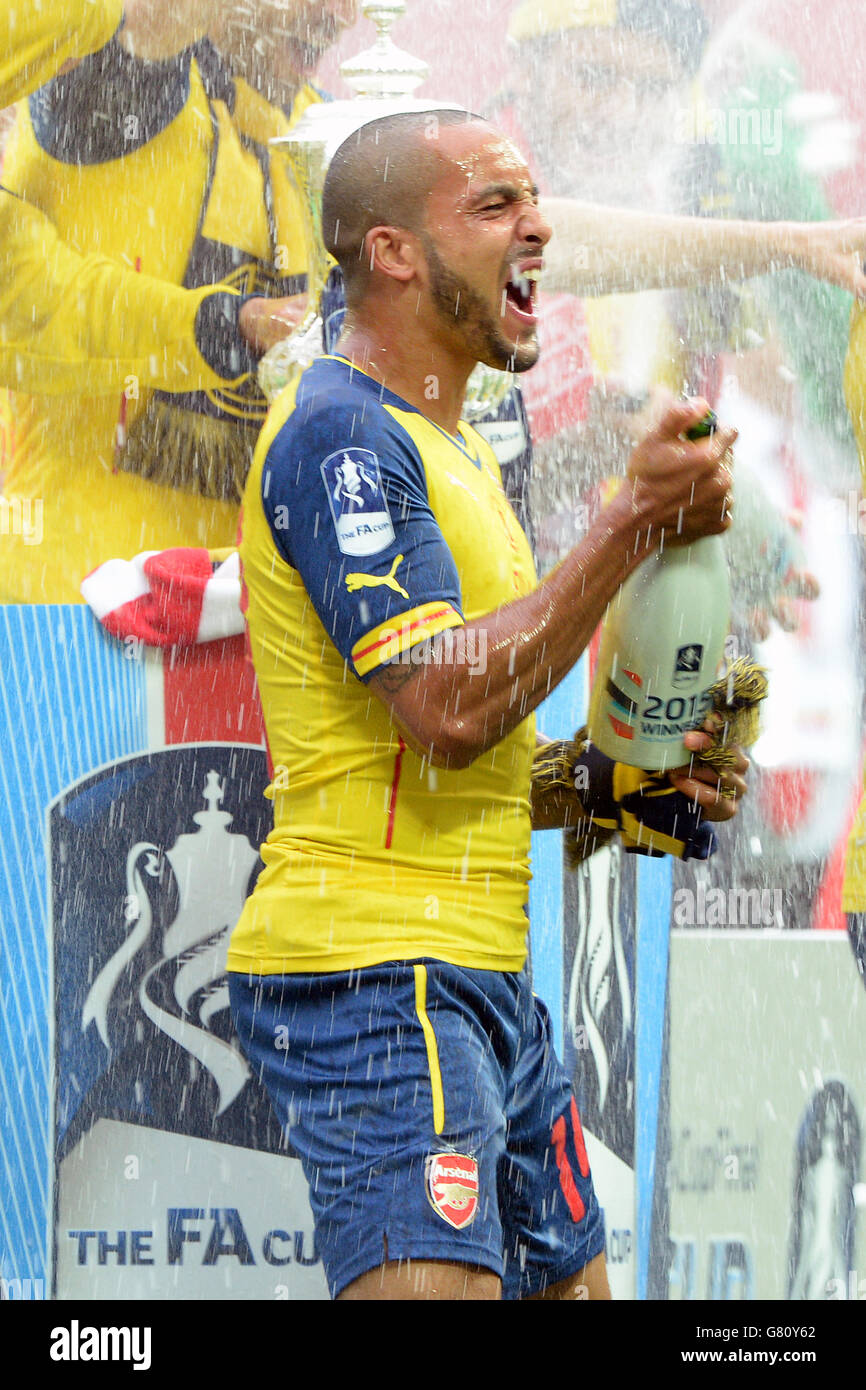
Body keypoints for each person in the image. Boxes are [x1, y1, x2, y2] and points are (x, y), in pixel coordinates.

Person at [227, 109, 749, 1302]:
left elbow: (469, 769)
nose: (540, 227)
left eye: (535, 199)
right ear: (395, 250)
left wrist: (620, 787)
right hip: (374, 970)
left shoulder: (450, 448)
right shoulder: (341, 433)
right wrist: (629, 525)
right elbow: (447, 711)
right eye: (495, 205)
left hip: (481, 978)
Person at [0, 0, 358, 602]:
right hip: (78, 610)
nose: (341, 13)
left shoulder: (319, 128)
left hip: (238, 620)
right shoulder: (119, 81)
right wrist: (224, 326)